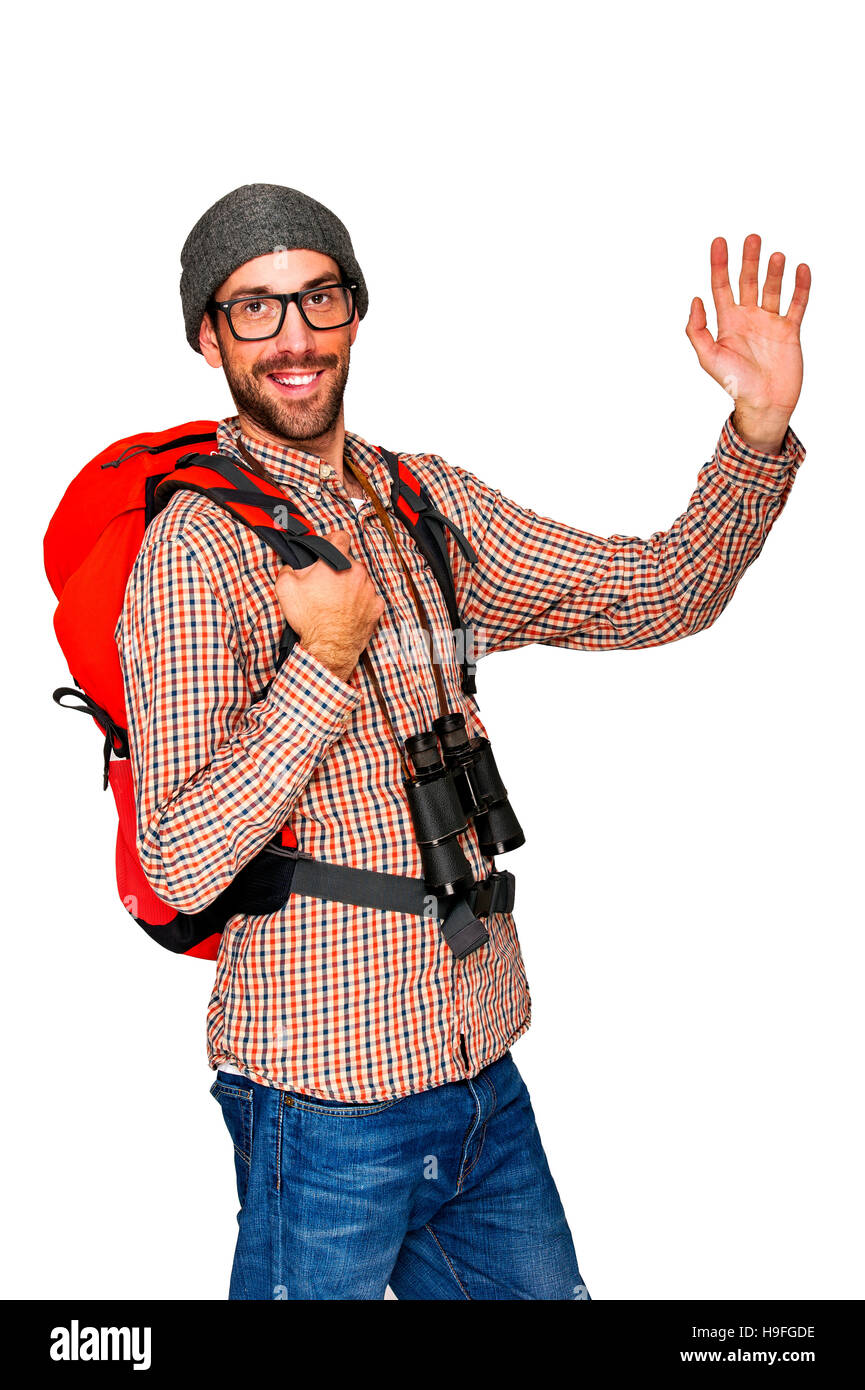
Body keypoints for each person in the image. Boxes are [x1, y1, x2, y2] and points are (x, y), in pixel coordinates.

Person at [116, 184, 810, 1300]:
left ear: (354, 311)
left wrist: (755, 433)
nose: (293, 336)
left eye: (318, 297)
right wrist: (324, 663)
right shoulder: (194, 553)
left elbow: (657, 590)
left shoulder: (423, 504)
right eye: (254, 308)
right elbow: (181, 855)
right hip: (323, 1096)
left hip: (480, 1073)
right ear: (208, 334)